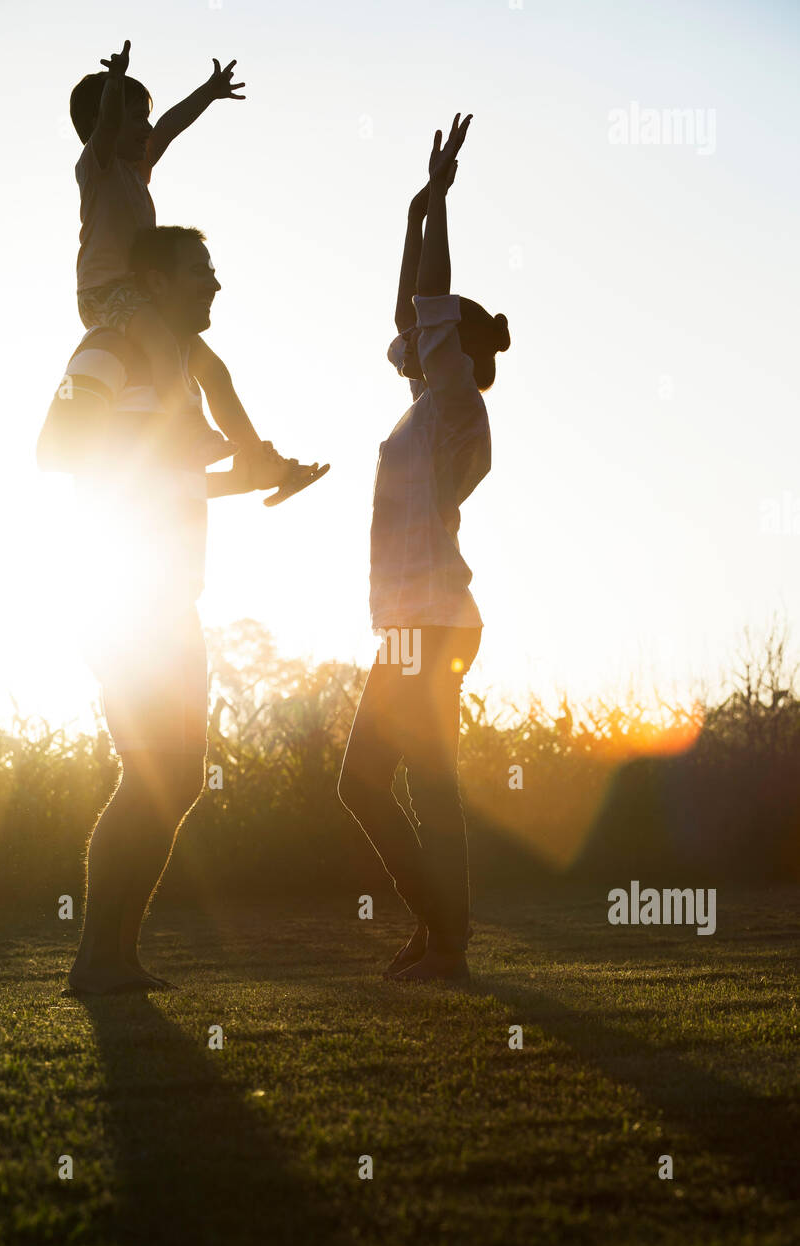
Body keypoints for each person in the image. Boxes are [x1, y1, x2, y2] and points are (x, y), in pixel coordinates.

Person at [38, 225, 316, 994]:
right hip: (124, 601)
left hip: (167, 600)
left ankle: (115, 957)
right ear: (156, 281)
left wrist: (257, 476)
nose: (216, 285)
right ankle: (96, 959)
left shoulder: (179, 378)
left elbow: (172, 479)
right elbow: (55, 448)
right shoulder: (108, 351)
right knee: (150, 770)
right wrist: (174, 451)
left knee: (177, 776)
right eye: (202, 272)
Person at [338, 115, 510, 984]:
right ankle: (442, 934)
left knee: (376, 779)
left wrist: (440, 205)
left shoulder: (456, 406)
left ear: (458, 351)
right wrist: (411, 216)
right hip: (418, 620)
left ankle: (445, 937)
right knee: (386, 782)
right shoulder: (427, 405)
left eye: (436, 335)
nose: (418, 340)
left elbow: (425, 300)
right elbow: (408, 308)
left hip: (433, 621)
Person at [70, 37, 264, 470]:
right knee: (160, 343)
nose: (146, 129)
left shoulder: (138, 170)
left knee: (212, 369)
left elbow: (171, 126)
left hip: (142, 297)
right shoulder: (97, 168)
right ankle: (190, 430)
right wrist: (115, 83)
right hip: (105, 294)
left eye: (146, 118)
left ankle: (254, 454)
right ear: (107, 123)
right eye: (136, 119)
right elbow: (106, 127)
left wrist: (208, 93)